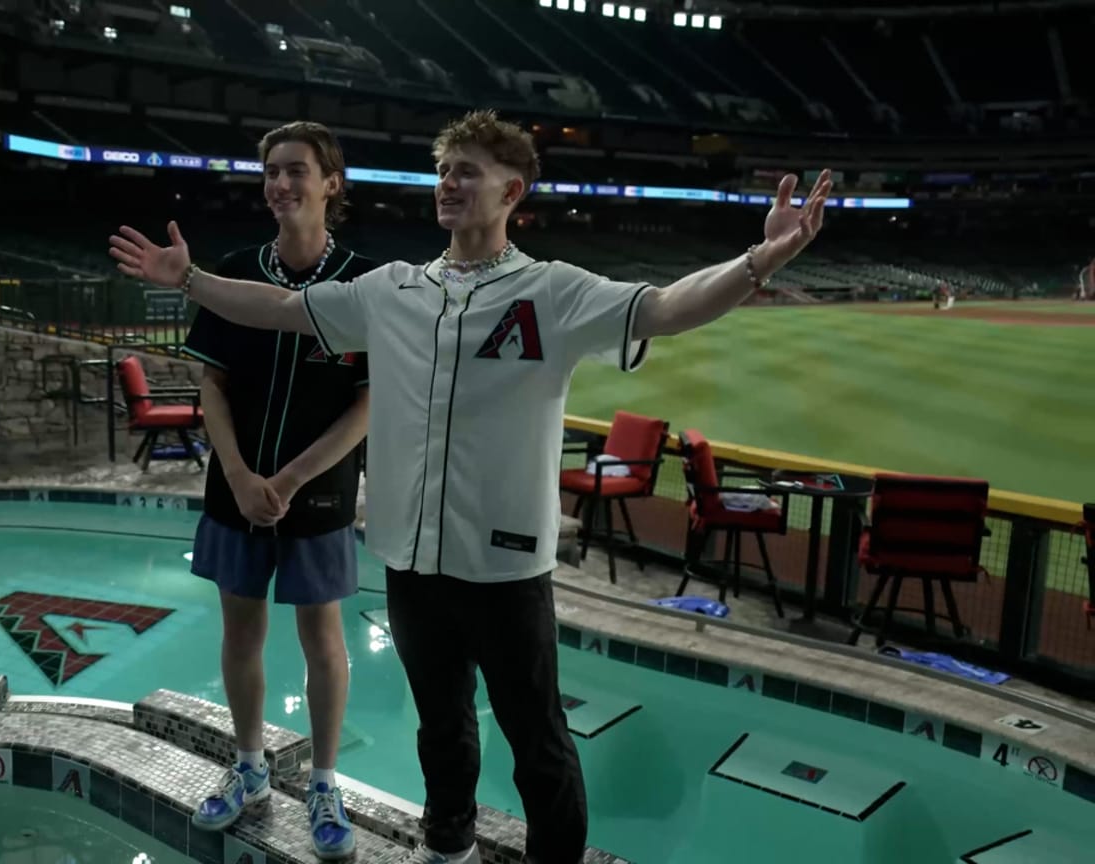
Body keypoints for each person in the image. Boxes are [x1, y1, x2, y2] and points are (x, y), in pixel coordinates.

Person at [111, 109, 832, 864]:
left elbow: (664, 308)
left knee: (538, 744)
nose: (449, 184)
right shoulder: (391, 289)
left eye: (468, 172)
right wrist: (189, 279)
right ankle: (447, 847)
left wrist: (760, 261)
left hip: (506, 571)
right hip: (412, 563)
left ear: (512, 190)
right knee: (441, 726)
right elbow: (282, 308)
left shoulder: (553, 291)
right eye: (443, 171)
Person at [178, 121, 376, 861]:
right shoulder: (235, 270)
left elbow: (370, 402)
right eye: (271, 172)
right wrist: (234, 472)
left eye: (297, 170)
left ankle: (324, 782)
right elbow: (214, 384)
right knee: (240, 634)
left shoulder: (362, 283)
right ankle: (251, 767)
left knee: (323, 640)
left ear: (332, 182)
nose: (281, 184)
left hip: (316, 494)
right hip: (236, 487)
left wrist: (289, 479)